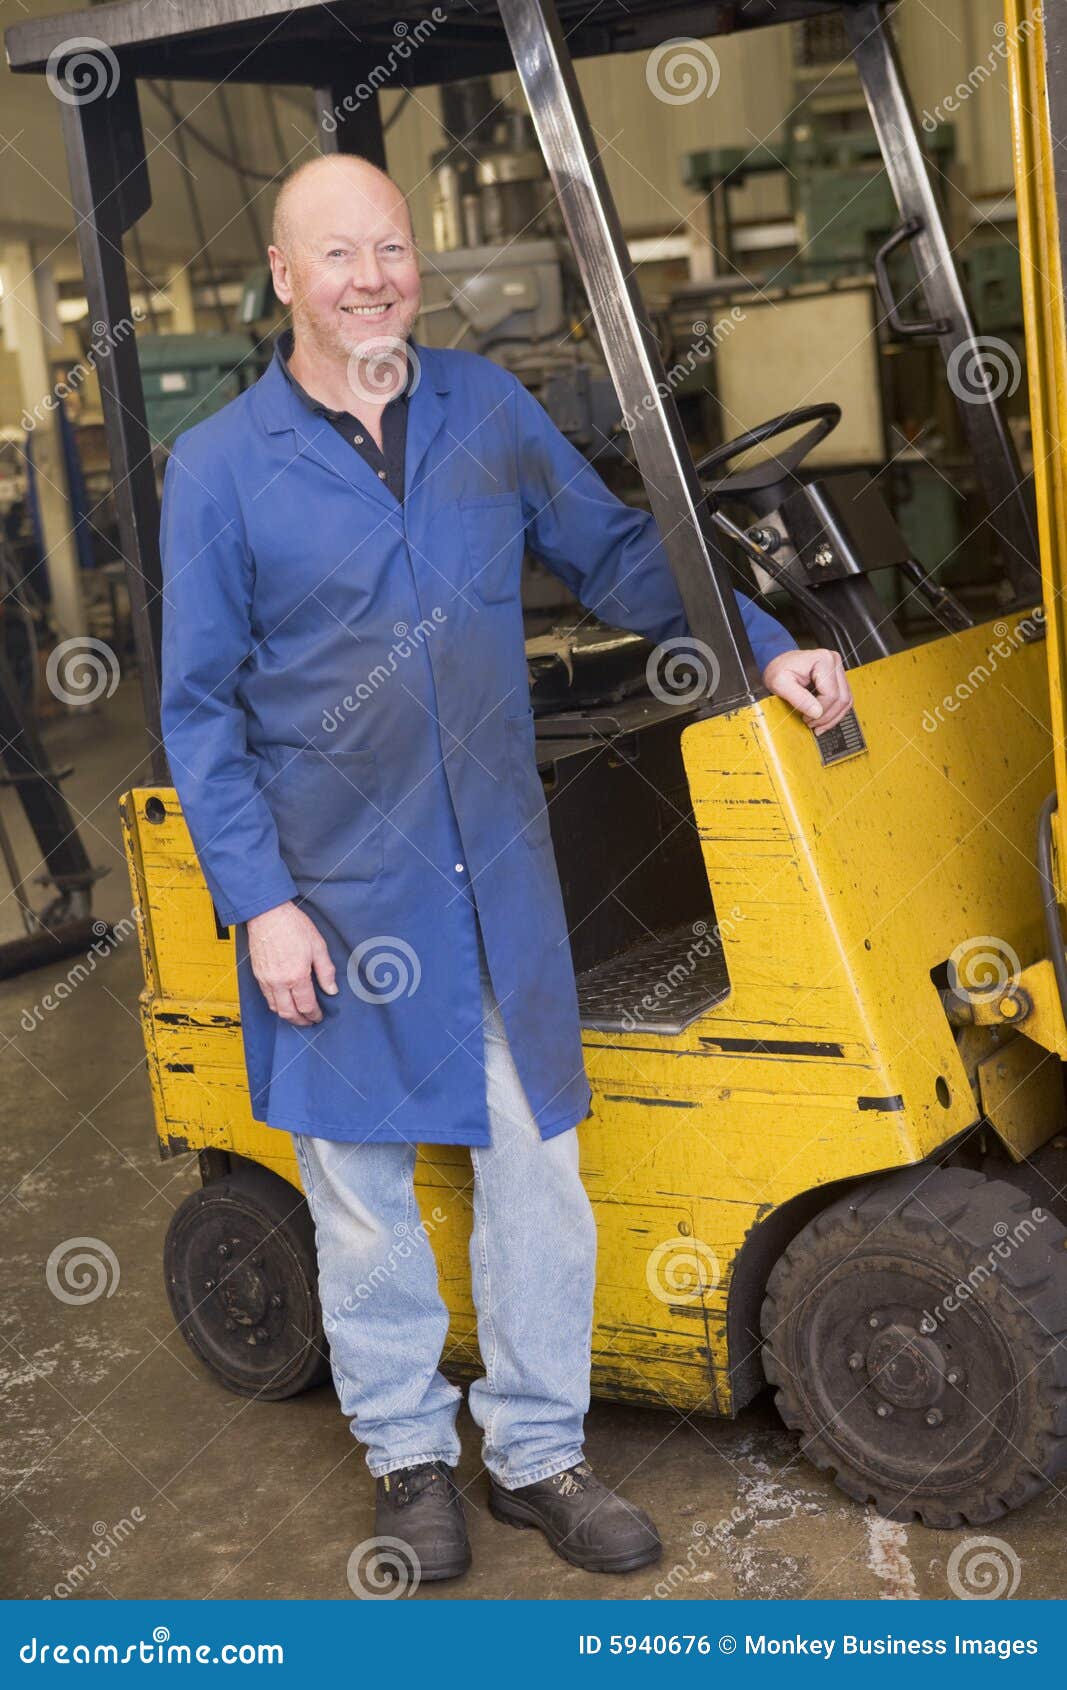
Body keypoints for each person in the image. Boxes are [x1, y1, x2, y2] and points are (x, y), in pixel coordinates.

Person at [159, 154, 853, 1584]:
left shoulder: (485, 407)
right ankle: (411, 1462)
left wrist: (758, 639)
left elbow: (613, 556)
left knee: (537, 1165)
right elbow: (198, 709)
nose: (373, 277)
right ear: (283, 278)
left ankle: (537, 1453)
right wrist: (262, 903)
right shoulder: (220, 466)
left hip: (489, 867)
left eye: (394, 248)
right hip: (331, 892)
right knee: (360, 1192)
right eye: (339, 255)